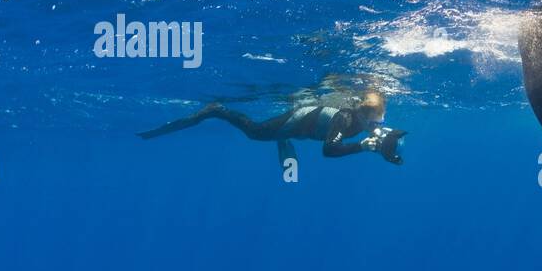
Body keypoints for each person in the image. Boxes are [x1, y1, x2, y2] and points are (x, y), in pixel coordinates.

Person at [139, 90, 407, 164]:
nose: (377, 127)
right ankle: (217, 111)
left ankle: (284, 140)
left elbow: (378, 134)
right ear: (362, 116)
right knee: (255, 132)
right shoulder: (346, 120)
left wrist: (385, 140)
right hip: (297, 122)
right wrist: (360, 147)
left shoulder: (363, 121)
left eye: (380, 123)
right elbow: (329, 151)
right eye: (375, 122)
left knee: (287, 137)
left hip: (306, 130)